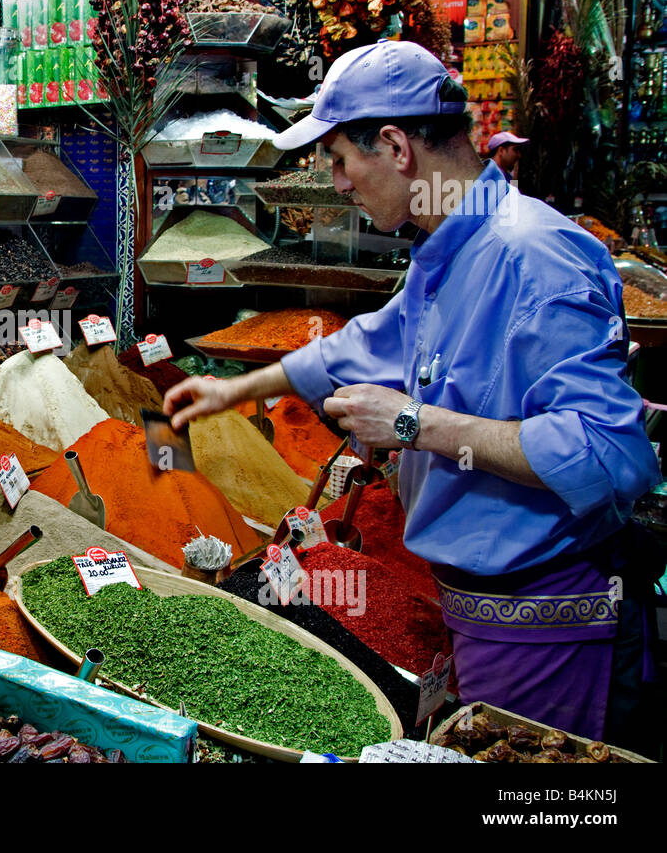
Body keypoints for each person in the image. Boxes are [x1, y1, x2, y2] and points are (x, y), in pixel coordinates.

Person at [163, 40, 661, 747]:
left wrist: (414, 422)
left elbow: (607, 453)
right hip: (477, 617)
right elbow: (371, 343)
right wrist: (237, 386)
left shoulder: (534, 253)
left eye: (340, 159)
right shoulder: (448, 245)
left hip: (550, 627)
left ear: (396, 146)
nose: (336, 183)